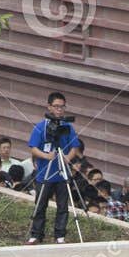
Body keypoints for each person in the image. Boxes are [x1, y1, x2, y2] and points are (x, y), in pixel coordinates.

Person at [26, 91, 82, 244]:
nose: (59, 110)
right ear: (49, 107)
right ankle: (36, 235)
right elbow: (33, 148)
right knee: (40, 205)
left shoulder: (67, 127)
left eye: (62, 107)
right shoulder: (41, 127)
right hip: (44, 173)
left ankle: (60, 235)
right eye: (56, 106)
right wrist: (46, 156)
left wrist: (67, 159)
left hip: (61, 173)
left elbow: (74, 147)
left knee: (63, 205)